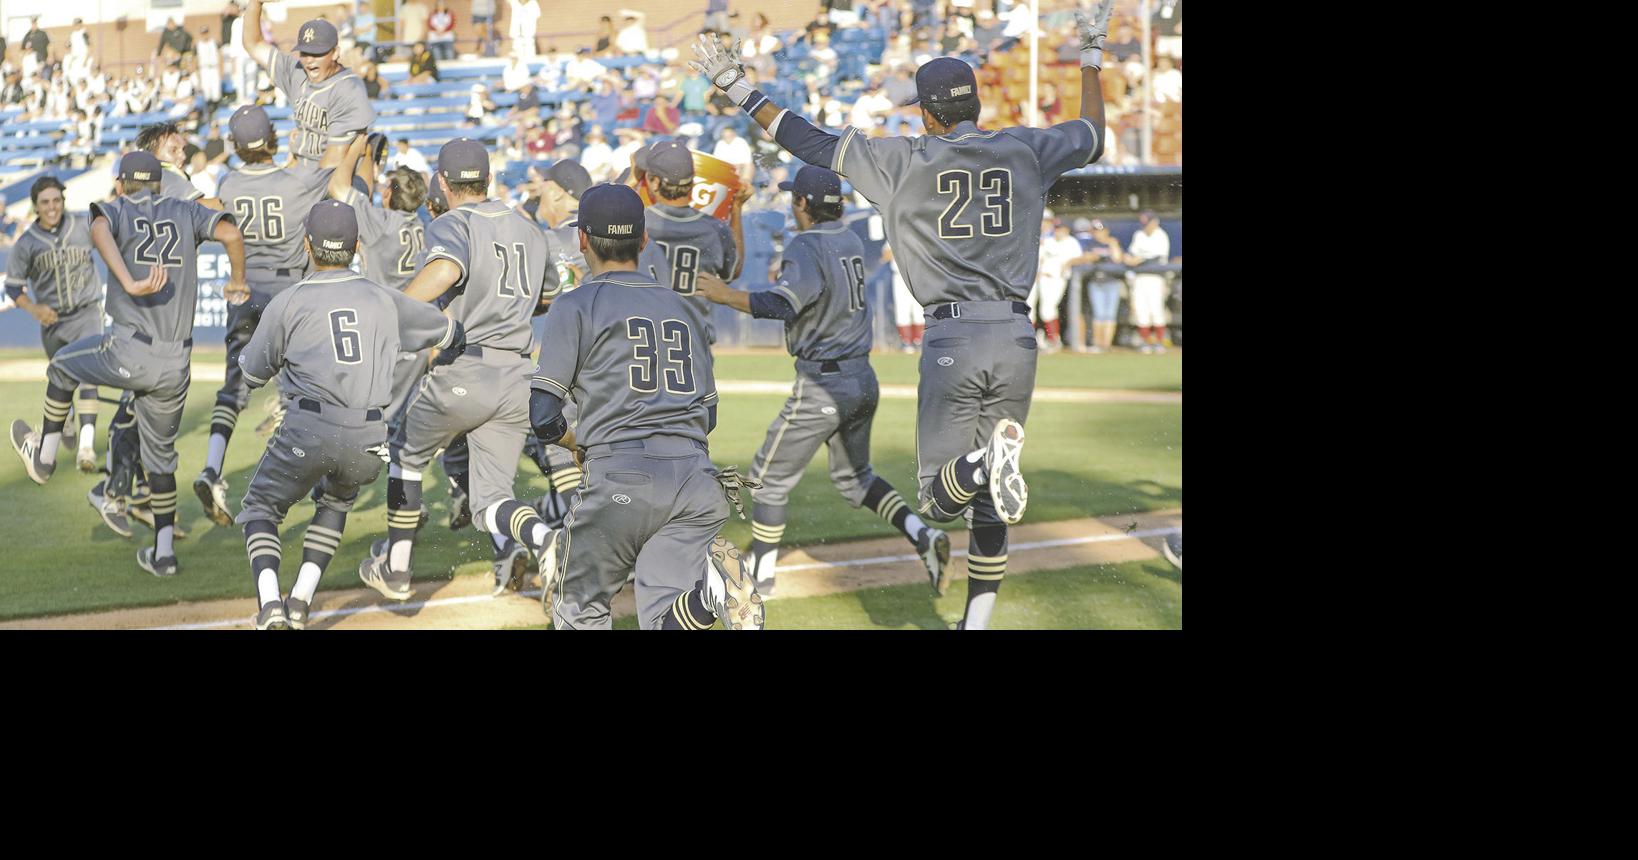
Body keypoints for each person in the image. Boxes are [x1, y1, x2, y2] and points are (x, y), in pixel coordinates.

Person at [688, 0, 1111, 629]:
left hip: (953, 335)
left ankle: (983, 462)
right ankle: (975, 619)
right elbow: (1094, 133)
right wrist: (1091, 56)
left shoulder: (902, 158)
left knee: (940, 496)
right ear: (975, 104)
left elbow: (806, 139)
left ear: (929, 113)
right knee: (990, 503)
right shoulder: (1026, 147)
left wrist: (737, 87)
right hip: (1018, 336)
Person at [695, 166, 949, 596]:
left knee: (767, 477)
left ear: (802, 204)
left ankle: (762, 575)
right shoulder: (849, 238)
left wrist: (725, 295)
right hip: (862, 377)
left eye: (794, 198)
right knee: (856, 478)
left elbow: (783, 304)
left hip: (824, 382)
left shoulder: (806, 243)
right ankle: (921, 534)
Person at [528, 183, 761, 630]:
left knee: (579, 609)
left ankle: (707, 592)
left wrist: (578, 442)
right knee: (662, 616)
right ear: (644, 240)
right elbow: (708, 415)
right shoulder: (683, 307)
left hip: (621, 477)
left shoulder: (576, 303)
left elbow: (543, 416)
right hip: (696, 483)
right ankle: (704, 598)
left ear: (582, 239)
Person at [10, 152, 247, 578]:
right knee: (161, 462)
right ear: (159, 182)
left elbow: (99, 228)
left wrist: (129, 281)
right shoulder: (185, 210)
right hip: (177, 362)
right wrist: (238, 281)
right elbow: (230, 232)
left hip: (130, 350)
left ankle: (43, 458)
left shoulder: (118, 208)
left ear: (121, 184)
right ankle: (164, 556)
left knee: (61, 366)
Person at [233, 199, 461, 630]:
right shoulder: (385, 298)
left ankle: (271, 604)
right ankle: (300, 602)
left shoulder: (289, 301)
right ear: (357, 246)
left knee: (261, 507)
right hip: (369, 435)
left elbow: (252, 373)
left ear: (307, 245)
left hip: (309, 426)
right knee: (335, 502)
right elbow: (450, 332)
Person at [358, 138, 558, 600]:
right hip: (518, 376)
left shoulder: (453, 221)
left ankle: (397, 568)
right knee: (492, 500)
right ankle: (547, 539)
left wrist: (393, 307)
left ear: (443, 183)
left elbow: (446, 271)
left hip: (468, 366)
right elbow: (546, 297)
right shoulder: (528, 227)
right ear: (487, 179)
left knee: (404, 454)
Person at [194, 105, 343, 526]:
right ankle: (313, 481)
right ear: (271, 139)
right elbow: (337, 163)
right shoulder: (296, 180)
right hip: (288, 294)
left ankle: (211, 467)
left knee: (232, 390)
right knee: (309, 392)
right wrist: (305, 146)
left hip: (245, 292)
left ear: (236, 145)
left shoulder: (229, 182)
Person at [4, 177, 101, 474]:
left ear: (63, 200)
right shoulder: (27, 243)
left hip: (87, 312)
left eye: (56, 200)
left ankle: (86, 447)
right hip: (53, 321)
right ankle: (67, 417)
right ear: (35, 206)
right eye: (45, 202)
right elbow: (13, 288)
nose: (51, 207)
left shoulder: (83, 225)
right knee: (62, 383)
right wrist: (34, 309)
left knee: (90, 375)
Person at [634, 138, 744, 348]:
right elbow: (733, 271)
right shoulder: (714, 229)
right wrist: (737, 208)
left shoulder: (637, 223)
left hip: (645, 343)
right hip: (695, 344)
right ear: (693, 183)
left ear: (654, 182)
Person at [243, 2, 376, 168]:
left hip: (335, 176)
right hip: (305, 172)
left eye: (317, 53)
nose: (309, 60)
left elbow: (334, 160)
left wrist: (294, 175)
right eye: (304, 53)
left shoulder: (349, 89)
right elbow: (253, 45)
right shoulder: (297, 72)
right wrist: (255, 3)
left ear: (335, 53)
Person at [1031, 213, 1086, 351]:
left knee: (1047, 310)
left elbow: (1081, 258)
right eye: (1056, 228)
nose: (1058, 230)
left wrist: (1069, 262)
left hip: (1057, 279)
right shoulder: (1048, 241)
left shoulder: (1071, 242)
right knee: (1031, 309)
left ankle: (1054, 340)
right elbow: (1040, 258)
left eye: (1061, 228)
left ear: (1067, 229)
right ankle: (1035, 339)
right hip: (1041, 278)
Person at [1124, 210, 1171, 353]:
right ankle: (1145, 342)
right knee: (1141, 311)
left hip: (1155, 277)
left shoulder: (1161, 235)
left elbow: (1157, 258)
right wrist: (1129, 259)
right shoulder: (1139, 235)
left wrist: (1138, 260)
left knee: (1156, 310)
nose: (1146, 225)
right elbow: (1132, 253)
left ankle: (1159, 342)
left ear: (1155, 221)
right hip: (1139, 277)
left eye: (1149, 222)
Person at [135, 122, 214, 207]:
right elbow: (202, 208)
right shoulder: (168, 178)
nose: (183, 156)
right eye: (173, 150)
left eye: (183, 149)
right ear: (151, 155)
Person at [1075, 218, 1123, 353]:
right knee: (1099, 314)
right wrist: (1092, 257)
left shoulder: (1113, 242)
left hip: (1112, 282)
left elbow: (1118, 259)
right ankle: (1098, 344)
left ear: (1106, 231)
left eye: (1100, 230)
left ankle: (1106, 345)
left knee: (1110, 315)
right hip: (1096, 282)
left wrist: (1113, 245)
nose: (1098, 233)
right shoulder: (1090, 243)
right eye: (1095, 230)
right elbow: (1084, 258)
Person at [881, 242, 922, 352]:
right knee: (902, 311)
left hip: (918, 275)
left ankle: (919, 341)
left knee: (918, 309)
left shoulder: (919, 235)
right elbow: (885, 256)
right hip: (900, 277)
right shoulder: (894, 235)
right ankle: (907, 342)